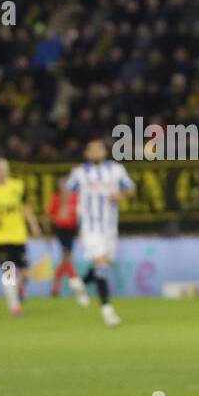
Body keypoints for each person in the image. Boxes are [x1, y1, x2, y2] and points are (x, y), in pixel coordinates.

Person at [65, 140, 135, 327]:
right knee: (101, 264)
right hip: (90, 226)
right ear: (86, 154)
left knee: (104, 264)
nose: (96, 151)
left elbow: (130, 188)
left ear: (104, 152)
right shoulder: (79, 173)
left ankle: (80, 281)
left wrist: (121, 196)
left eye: (99, 148)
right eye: (92, 148)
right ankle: (107, 310)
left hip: (110, 227)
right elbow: (67, 191)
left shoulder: (116, 170)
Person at [0, 157, 41, 317]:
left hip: (19, 237)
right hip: (0, 239)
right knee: (9, 271)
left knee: (25, 274)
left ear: (7, 169)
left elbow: (26, 207)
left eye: (1, 168)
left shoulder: (18, 186)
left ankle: (19, 289)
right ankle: (14, 307)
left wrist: (33, 225)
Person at [45, 176, 89, 306]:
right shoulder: (56, 198)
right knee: (67, 258)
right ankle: (77, 288)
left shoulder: (75, 198)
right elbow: (48, 216)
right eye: (62, 184)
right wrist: (48, 232)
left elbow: (81, 215)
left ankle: (55, 289)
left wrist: (82, 230)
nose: (64, 187)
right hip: (61, 231)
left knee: (66, 260)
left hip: (71, 231)